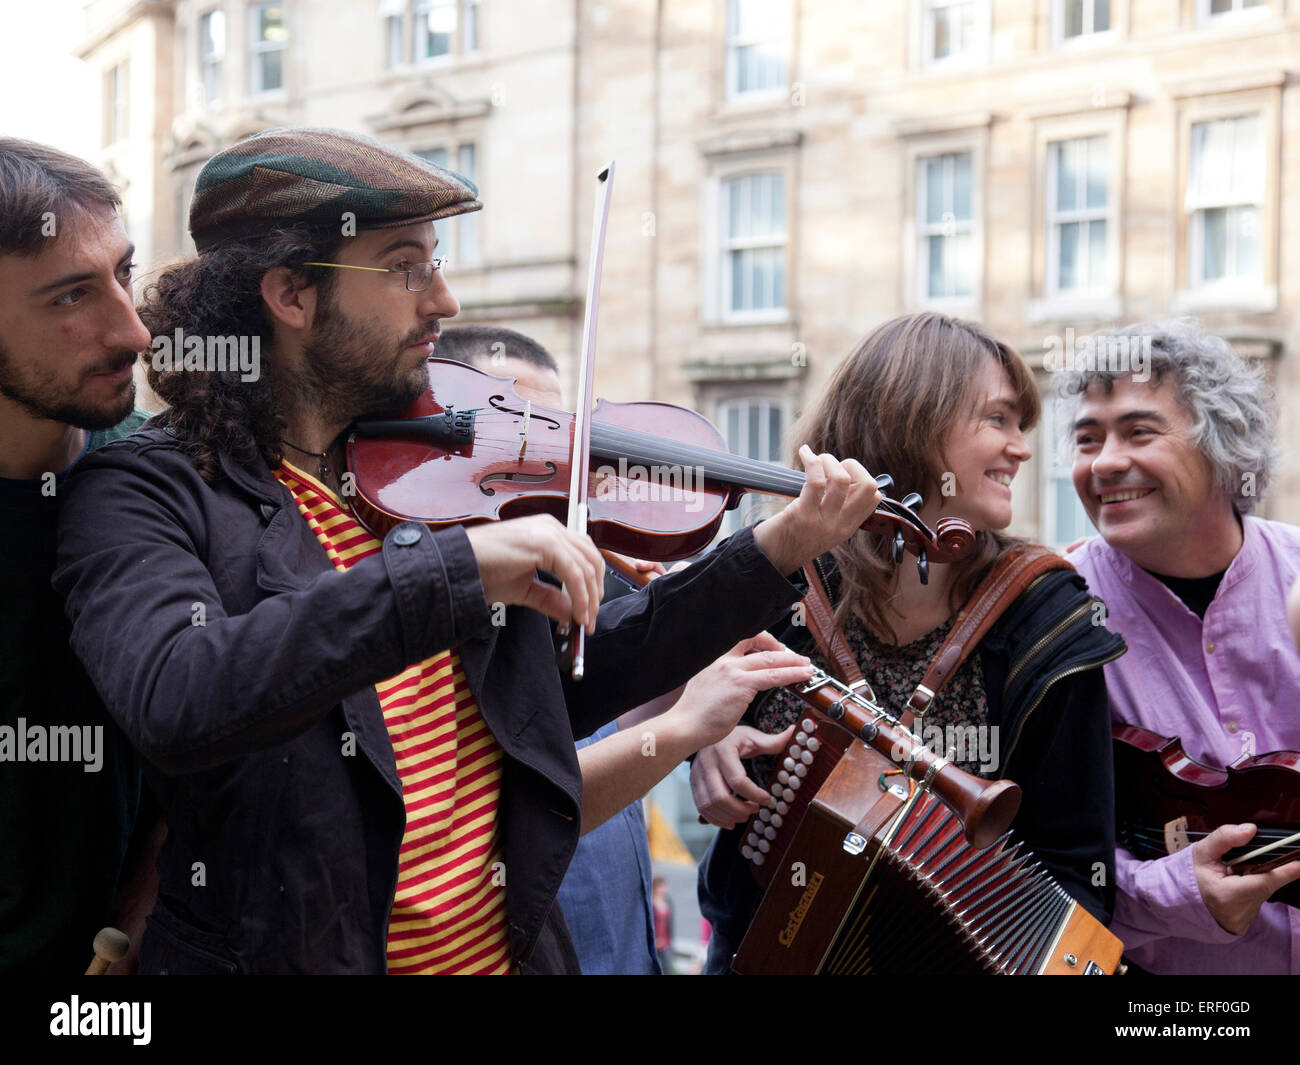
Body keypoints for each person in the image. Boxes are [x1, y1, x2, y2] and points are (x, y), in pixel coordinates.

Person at [51, 127, 882, 974]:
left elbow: (563, 694)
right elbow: (179, 694)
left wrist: (776, 548)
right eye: (407, 265)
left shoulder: (432, 480)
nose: (443, 300)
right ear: (292, 295)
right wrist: (458, 572)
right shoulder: (142, 493)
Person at [694, 312, 1124, 974]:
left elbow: (1078, 867)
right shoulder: (771, 579)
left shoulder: (1048, 615)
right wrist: (700, 731)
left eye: (1022, 425)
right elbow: (623, 664)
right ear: (915, 418)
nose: (1023, 448)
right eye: (999, 420)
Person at [437, 324, 806, 974]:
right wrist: (683, 725)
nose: (564, 478)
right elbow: (524, 801)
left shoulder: (570, 591)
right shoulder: (442, 621)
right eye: (525, 444)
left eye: (563, 441)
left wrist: (692, 692)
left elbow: (604, 722)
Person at [1064, 321, 1300, 975]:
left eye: (1140, 432)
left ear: (1223, 445)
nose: (1105, 461)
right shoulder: (1049, 614)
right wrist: (1177, 894)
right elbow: (1030, 851)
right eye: (1087, 439)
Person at [0, 138, 151, 974]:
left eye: (124, 274)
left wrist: (142, 913)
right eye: (71, 296)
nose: (133, 330)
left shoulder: (166, 474)